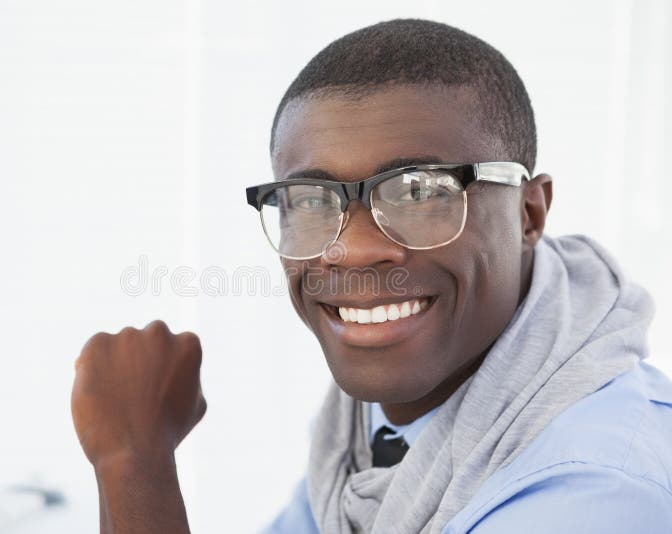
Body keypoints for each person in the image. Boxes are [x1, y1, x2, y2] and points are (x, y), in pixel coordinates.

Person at [70, 18, 672, 533]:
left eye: (418, 190)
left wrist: (133, 460)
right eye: (309, 199)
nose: (354, 251)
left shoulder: (598, 493)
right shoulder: (364, 427)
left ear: (528, 212)